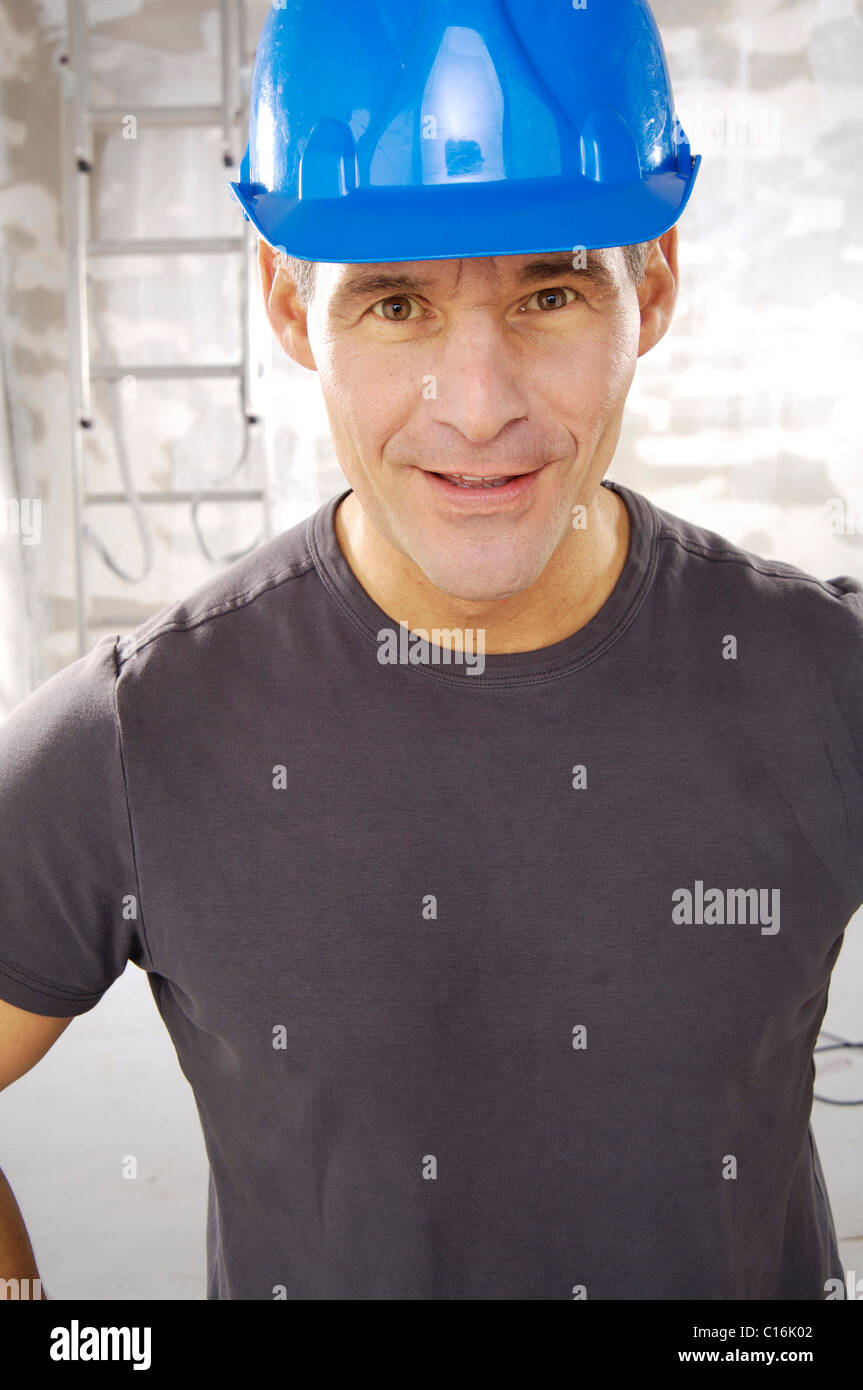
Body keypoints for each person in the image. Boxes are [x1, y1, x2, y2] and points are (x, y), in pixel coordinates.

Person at [1, 0, 860, 1301]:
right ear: (290, 306)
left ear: (658, 282)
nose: (477, 406)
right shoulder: (138, 737)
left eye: (553, 290)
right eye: (396, 304)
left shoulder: (827, 682)